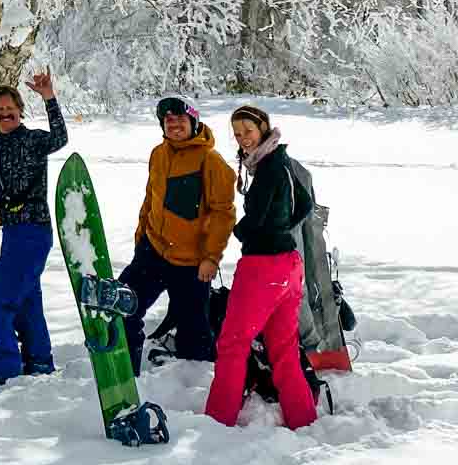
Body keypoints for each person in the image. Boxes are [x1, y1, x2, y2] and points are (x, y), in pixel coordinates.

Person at [205, 105, 318, 430]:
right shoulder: (280, 161)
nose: (243, 140)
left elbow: (256, 219)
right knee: (283, 350)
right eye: (238, 134)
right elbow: (306, 204)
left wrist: (245, 231)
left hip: (263, 269)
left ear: (263, 127)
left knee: (232, 345)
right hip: (289, 267)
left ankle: (216, 422)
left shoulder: (269, 168)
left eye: (248, 132)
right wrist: (282, 229)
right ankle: (304, 419)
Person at [119, 95, 237, 367]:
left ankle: (193, 390)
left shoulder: (212, 162)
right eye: (168, 120)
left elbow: (223, 214)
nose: (173, 125)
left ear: (193, 122)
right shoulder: (158, 154)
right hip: (153, 251)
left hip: (191, 263)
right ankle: (126, 371)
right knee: (124, 306)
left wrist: (211, 257)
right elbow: (150, 198)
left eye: (180, 119)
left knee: (193, 335)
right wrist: (141, 237)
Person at [0, 70, 68, 385]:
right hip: (13, 233)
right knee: (28, 301)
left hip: (32, 230)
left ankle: (5, 374)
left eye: (10, 109)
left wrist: (49, 99)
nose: (5, 114)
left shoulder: (32, 139)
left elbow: (60, 139)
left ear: (20, 111)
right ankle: (40, 364)